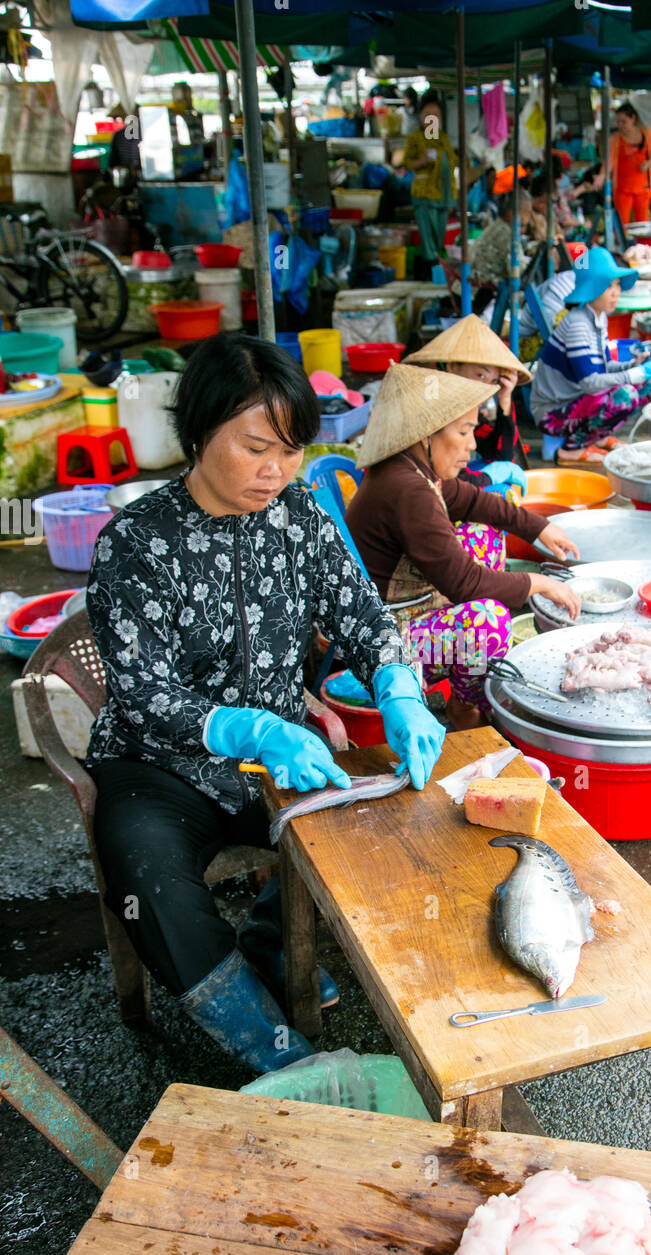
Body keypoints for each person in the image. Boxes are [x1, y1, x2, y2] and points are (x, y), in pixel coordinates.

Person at [85, 334, 444, 1074]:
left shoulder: (299, 517)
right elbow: (141, 692)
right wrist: (244, 726)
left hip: (279, 758)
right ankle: (273, 1049)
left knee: (387, 826)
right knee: (149, 883)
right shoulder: (136, 542)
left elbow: (362, 617)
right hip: (158, 768)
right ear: (198, 432)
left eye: (290, 450)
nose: (275, 470)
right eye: (255, 448)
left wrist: (399, 687)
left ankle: (271, 938)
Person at [345, 366, 581, 728]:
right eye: (463, 432)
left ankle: (469, 668)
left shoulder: (411, 467)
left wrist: (539, 527)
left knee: (484, 530)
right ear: (427, 435)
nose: (472, 444)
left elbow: (473, 501)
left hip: (417, 601)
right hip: (386, 638)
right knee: (489, 622)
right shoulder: (408, 489)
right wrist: (539, 582)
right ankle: (463, 705)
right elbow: (464, 583)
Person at [530, 246, 651, 454]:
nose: (616, 292)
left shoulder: (598, 318)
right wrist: (633, 374)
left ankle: (597, 437)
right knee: (625, 395)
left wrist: (635, 365)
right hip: (552, 412)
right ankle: (571, 450)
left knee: (650, 382)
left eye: (617, 284)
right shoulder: (578, 324)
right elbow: (590, 383)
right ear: (592, 288)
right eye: (608, 286)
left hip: (580, 401)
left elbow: (604, 367)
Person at [405, 314, 530, 476]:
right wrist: (487, 479)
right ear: (451, 367)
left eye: (494, 381)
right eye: (480, 376)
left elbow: (500, 454)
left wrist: (505, 399)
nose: (487, 390)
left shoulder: (465, 409)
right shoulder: (433, 407)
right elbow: (444, 479)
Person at [402, 91, 457, 272]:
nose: (432, 118)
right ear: (420, 117)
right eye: (428, 114)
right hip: (424, 193)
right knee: (427, 234)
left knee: (439, 233)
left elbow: (452, 162)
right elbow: (406, 164)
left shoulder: (442, 138)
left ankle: (437, 267)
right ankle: (429, 267)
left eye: (436, 115)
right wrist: (422, 160)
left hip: (443, 194)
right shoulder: (415, 138)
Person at [598, 102, 651, 228]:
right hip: (622, 189)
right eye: (618, 122)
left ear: (633, 118)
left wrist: (648, 163)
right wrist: (601, 176)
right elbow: (609, 161)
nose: (620, 125)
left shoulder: (647, 133)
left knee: (642, 223)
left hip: (644, 188)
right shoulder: (615, 139)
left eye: (623, 121)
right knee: (622, 223)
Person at [468, 191, 531, 311]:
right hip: (485, 294)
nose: (528, 218)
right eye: (527, 212)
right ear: (512, 213)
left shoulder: (496, 226)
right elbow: (518, 271)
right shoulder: (508, 235)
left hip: (479, 286)